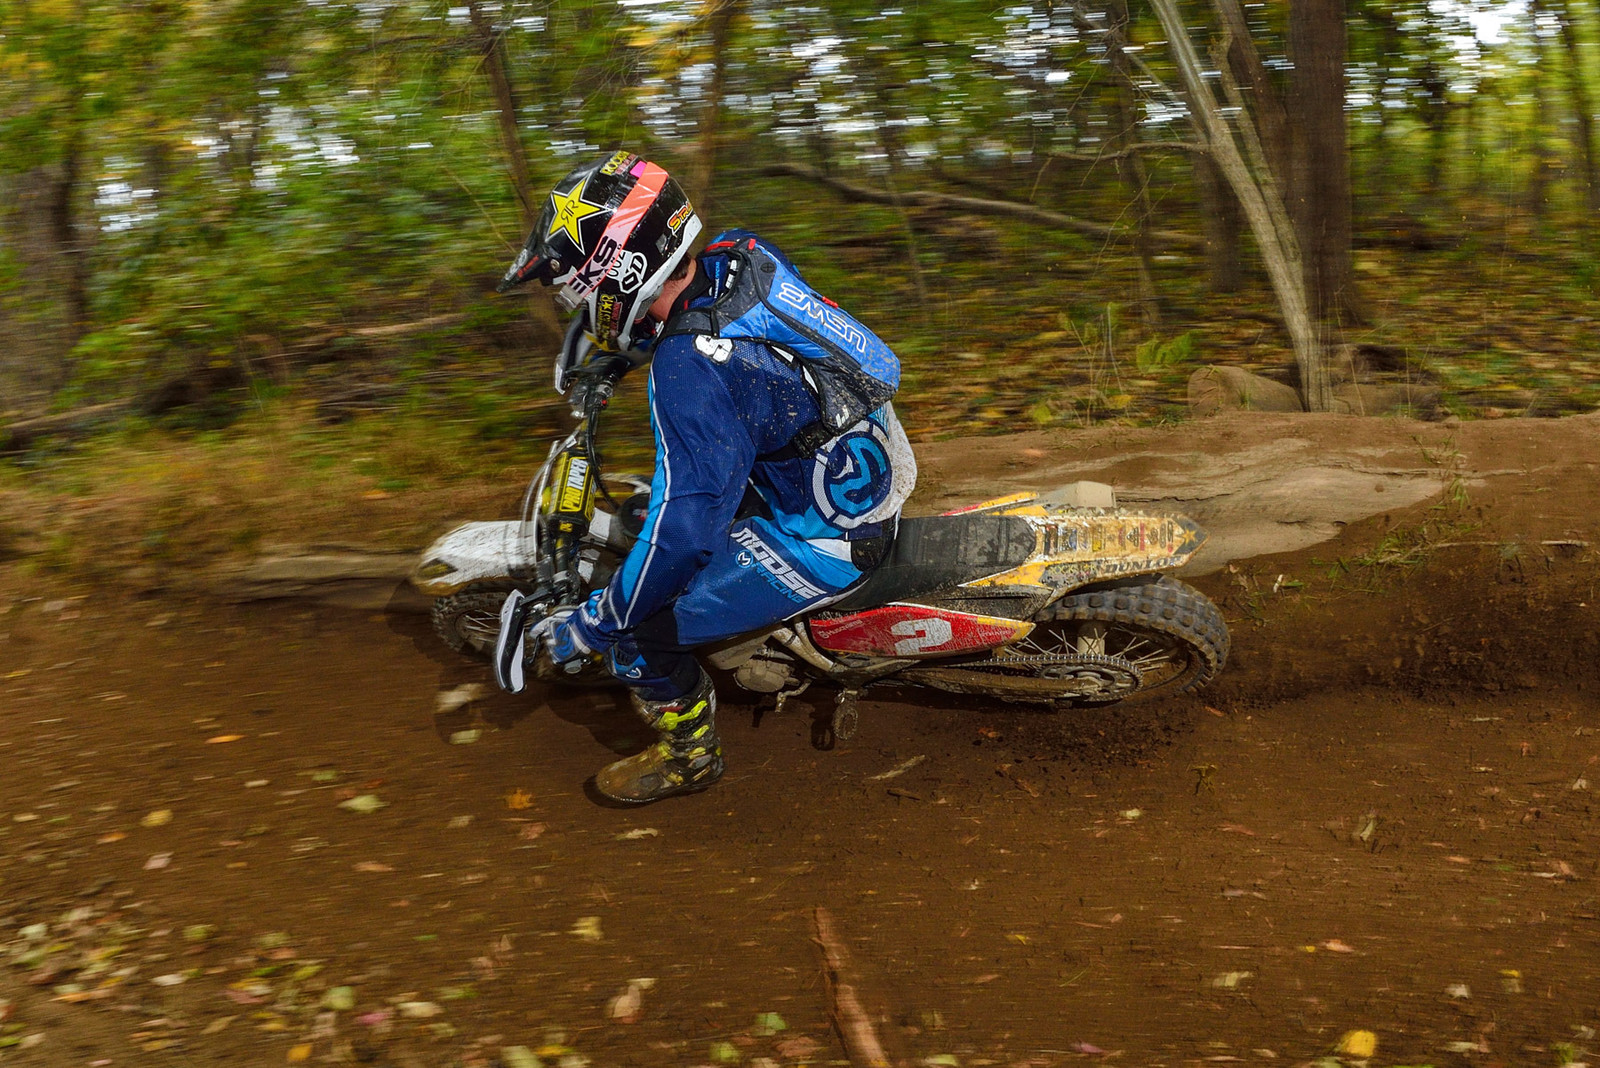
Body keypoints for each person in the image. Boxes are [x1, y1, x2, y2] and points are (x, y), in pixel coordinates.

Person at [491, 150, 916, 804]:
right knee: (658, 515)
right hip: (860, 457)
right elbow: (730, 339)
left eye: (579, 287)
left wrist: (590, 627)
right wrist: (616, 359)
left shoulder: (688, 374)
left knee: (636, 631)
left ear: (622, 272)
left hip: (824, 537)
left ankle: (690, 756)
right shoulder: (738, 253)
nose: (575, 302)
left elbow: (683, 537)